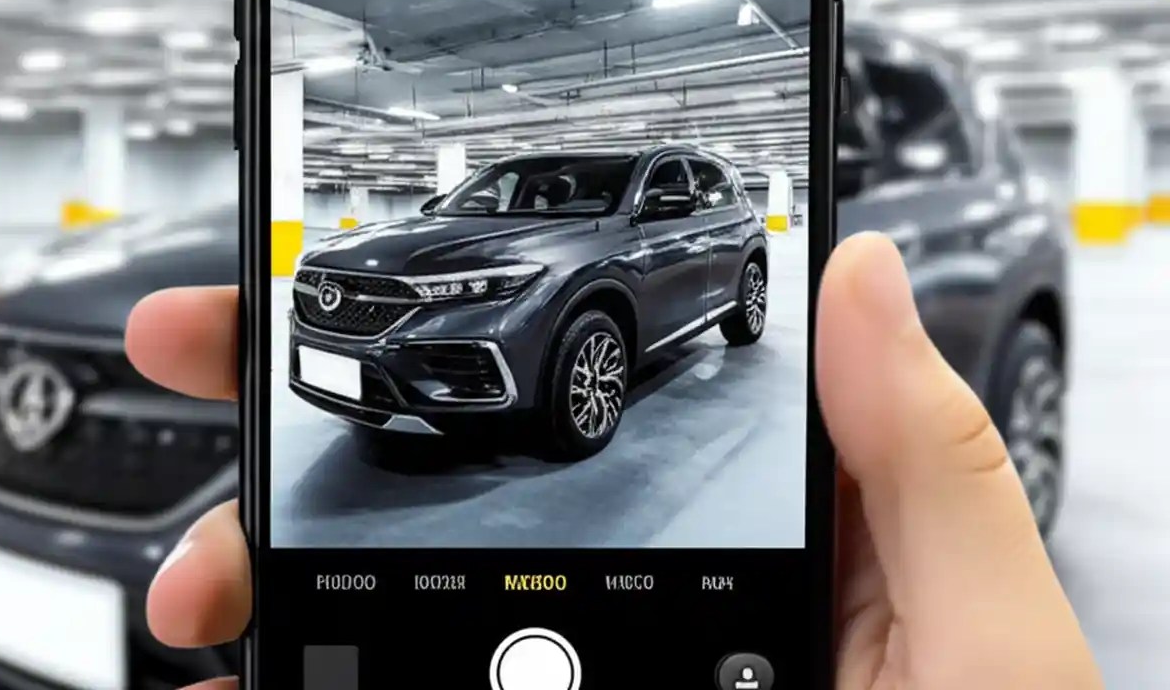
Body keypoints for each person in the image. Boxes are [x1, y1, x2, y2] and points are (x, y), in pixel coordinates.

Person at [126, 234, 1104, 690]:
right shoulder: (440, 230)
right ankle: (370, 384)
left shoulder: (644, 221)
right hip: (374, 314)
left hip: (568, 268)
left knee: (570, 359)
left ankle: (552, 399)